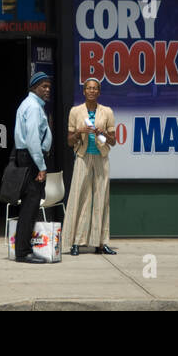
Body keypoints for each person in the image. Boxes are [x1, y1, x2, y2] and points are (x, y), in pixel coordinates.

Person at [64, 78, 116, 256]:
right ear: (84, 91)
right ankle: (76, 242)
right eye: (89, 88)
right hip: (83, 156)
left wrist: (102, 134)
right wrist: (79, 132)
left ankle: (101, 242)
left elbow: (113, 141)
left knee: (102, 199)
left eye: (95, 88)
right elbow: (69, 141)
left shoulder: (107, 112)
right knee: (79, 197)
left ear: (99, 92)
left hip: (101, 157)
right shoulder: (76, 111)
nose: (92, 91)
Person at [12, 70, 53, 264]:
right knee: (30, 205)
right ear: (34, 87)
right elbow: (33, 140)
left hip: (28, 158)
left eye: (49, 87)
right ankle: (23, 252)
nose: (47, 90)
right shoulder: (34, 107)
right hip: (32, 159)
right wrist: (41, 166)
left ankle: (23, 248)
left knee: (29, 205)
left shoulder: (28, 104)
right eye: (43, 86)